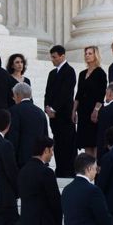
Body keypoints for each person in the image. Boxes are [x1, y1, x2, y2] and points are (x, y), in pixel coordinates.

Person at [44, 46, 77, 177]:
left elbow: (66, 93)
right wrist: (47, 108)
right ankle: (60, 170)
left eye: (55, 57)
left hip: (65, 115)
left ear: (62, 56)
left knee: (67, 143)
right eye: (51, 57)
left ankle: (69, 171)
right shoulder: (52, 73)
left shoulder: (70, 71)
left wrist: (54, 108)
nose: (52, 59)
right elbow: (47, 92)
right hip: (54, 117)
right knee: (57, 143)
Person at [73, 46, 107, 158]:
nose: (87, 55)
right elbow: (78, 94)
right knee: (86, 142)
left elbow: (101, 94)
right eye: (86, 53)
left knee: (95, 142)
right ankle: (88, 166)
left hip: (94, 111)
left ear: (95, 55)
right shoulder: (82, 74)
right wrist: (74, 111)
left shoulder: (100, 73)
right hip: (83, 112)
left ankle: (95, 167)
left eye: (90, 53)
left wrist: (96, 110)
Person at [7, 82, 48, 170]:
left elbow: (13, 137)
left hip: (21, 161)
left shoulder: (14, 111)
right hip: (39, 159)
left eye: (14, 96)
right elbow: (45, 136)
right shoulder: (40, 112)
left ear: (17, 95)